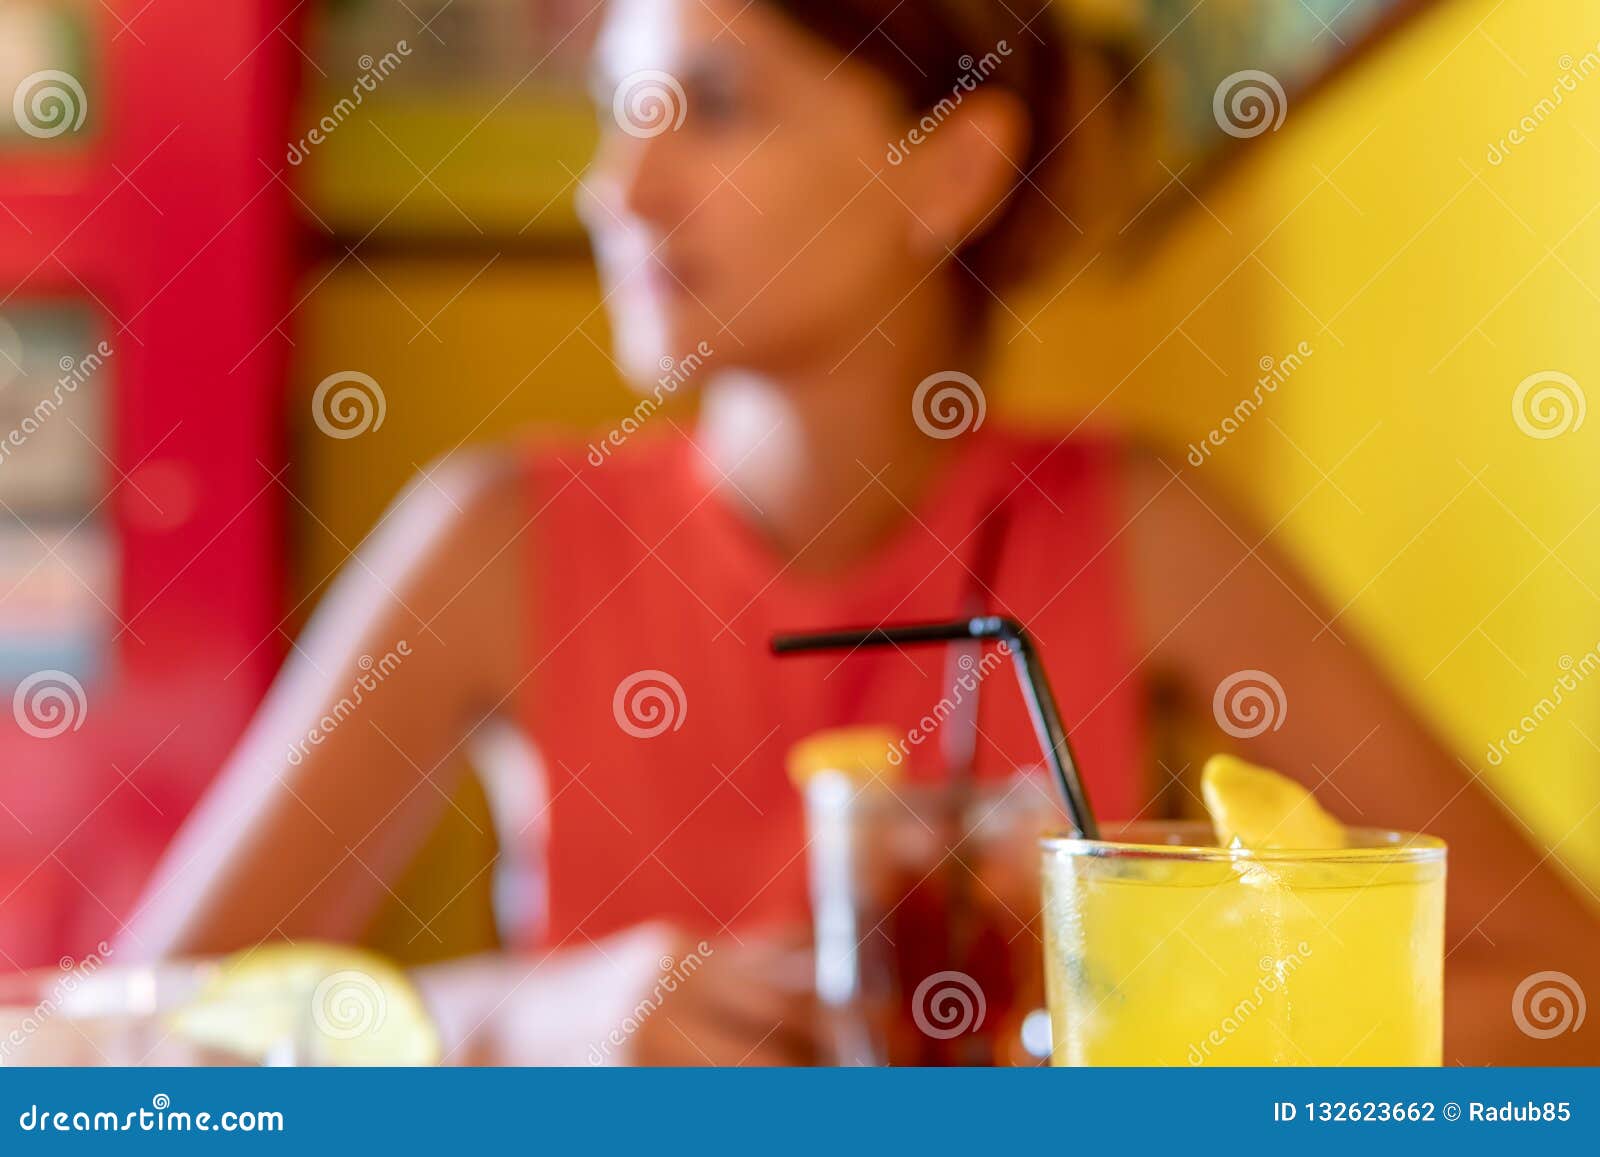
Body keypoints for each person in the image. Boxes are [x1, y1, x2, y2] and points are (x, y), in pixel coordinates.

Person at [128, 0, 1599, 1065]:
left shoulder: (1135, 528)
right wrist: (518, 1015)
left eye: (709, 103)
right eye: (614, 117)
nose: (616, 191)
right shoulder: (498, 537)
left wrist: (1169, 1020)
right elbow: (106, 1036)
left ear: (951, 171)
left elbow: (1565, 986)